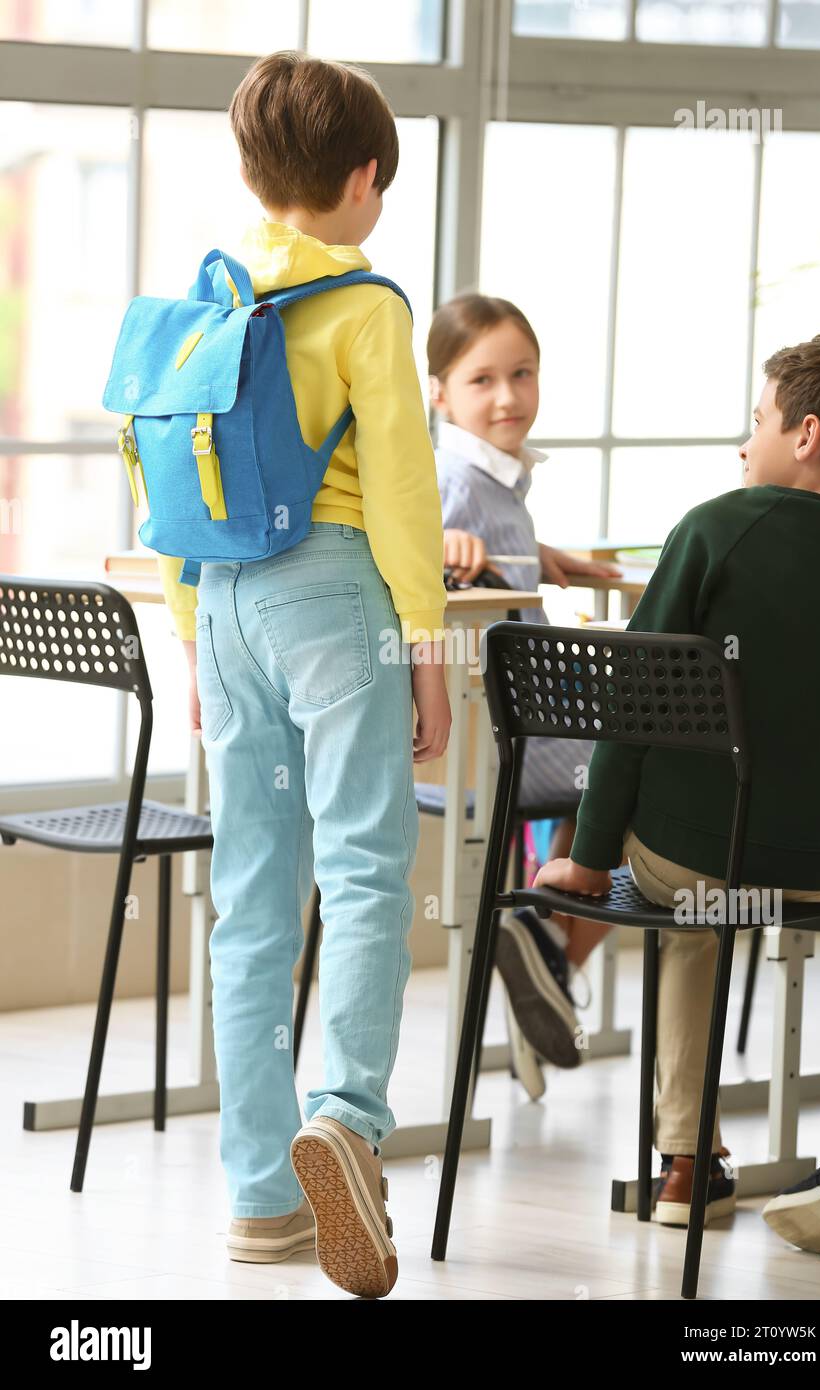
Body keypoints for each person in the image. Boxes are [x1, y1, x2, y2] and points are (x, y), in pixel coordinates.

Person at [155, 50, 450, 1298]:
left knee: (251, 898)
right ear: (365, 176)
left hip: (221, 602)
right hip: (336, 598)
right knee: (369, 869)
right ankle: (348, 1121)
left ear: (249, 171)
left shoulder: (205, 300)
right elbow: (398, 495)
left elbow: (165, 481)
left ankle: (261, 1200)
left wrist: (190, 635)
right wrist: (427, 649)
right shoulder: (368, 305)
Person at [535, 333, 820, 1248]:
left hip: (698, 857)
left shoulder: (716, 527)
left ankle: (686, 1162)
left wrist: (591, 861)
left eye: (756, 420)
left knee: (696, 912)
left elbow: (631, 713)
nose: (743, 442)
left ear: (805, 433)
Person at [427, 291, 621, 1079]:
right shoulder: (453, 481)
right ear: (437, 392)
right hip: (495, 739)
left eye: (523, 374)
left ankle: (543, 946)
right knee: (649, 777)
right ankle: (550, 947)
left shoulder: (495, 477)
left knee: (618, 772)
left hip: (514, 727)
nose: (508, 396)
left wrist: (539, 553)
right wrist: (442, 544)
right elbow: (422, 542)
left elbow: (484, 536)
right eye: (482, 381)